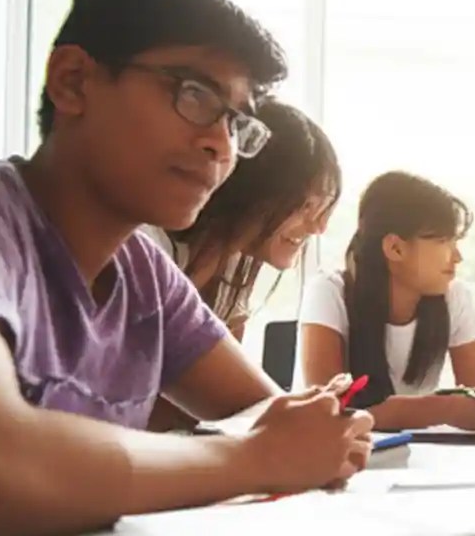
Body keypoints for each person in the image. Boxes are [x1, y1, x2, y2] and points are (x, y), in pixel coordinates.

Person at [0, 0, 372, 536]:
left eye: (237, 123)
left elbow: (264, 415)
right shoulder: (2, 227)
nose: (220, 144)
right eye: (193, 95)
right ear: (72, 81)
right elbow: (5, 465)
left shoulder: (146, 275)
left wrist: (314, 435)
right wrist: (255, 461)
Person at [144, 99, 341, 432]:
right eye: (307, 206)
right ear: (255, 189)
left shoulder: (231, 274)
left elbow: (228, 406)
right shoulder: (147, 251)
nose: (319, 227)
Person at [300, 171, 475, 432]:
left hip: (416, 460)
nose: (457, 256)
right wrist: (444, 407)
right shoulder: (329, 292)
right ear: (395, 249)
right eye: (443, 241)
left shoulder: (456, 297)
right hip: (328, 459)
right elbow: (328, 414)